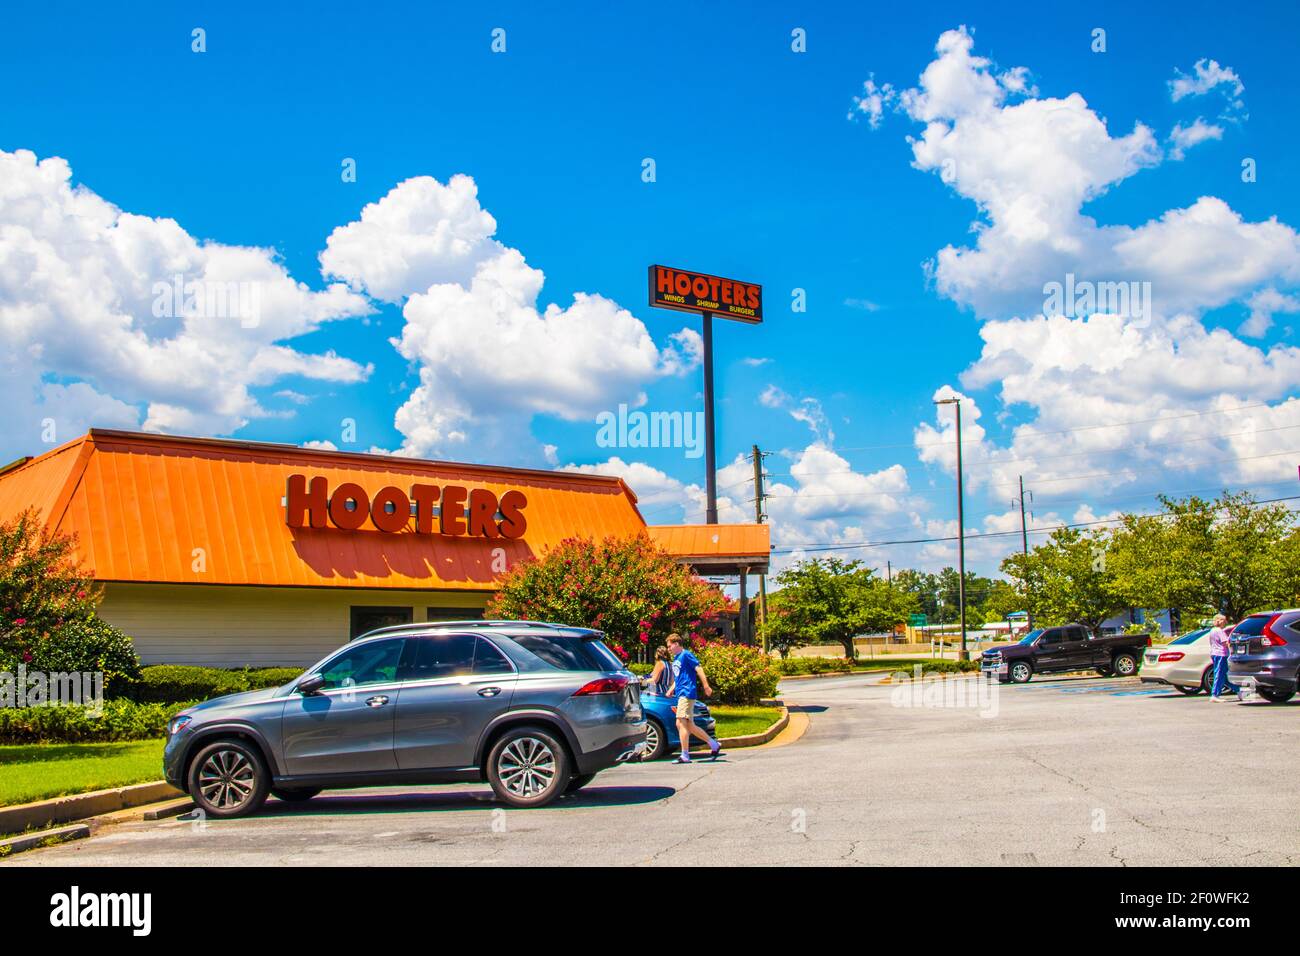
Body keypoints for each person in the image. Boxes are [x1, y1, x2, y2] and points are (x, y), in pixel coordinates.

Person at [666, 634, 721, 763]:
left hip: (687, 692)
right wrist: (671, 688)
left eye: (670, 646)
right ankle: (713, 744)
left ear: (677, 644)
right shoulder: (677, 658)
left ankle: (685, 755)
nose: (668, 649)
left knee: (681, 722)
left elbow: (698, 668)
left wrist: (706, 685)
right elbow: (679, 677)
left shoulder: (686, 655)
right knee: (687, 724)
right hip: (681, 693)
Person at [1206, 614, 1238, 701]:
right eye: (1224, 620)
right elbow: (1225, 643)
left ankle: (1238, 690)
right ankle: (1215, 695)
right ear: (1219, 621)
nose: (1225, 622)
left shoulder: (1212, 630)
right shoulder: (1219, 631)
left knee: (1224, 675)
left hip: (1215, 653)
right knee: (1220, 674)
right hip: (1221, 654)